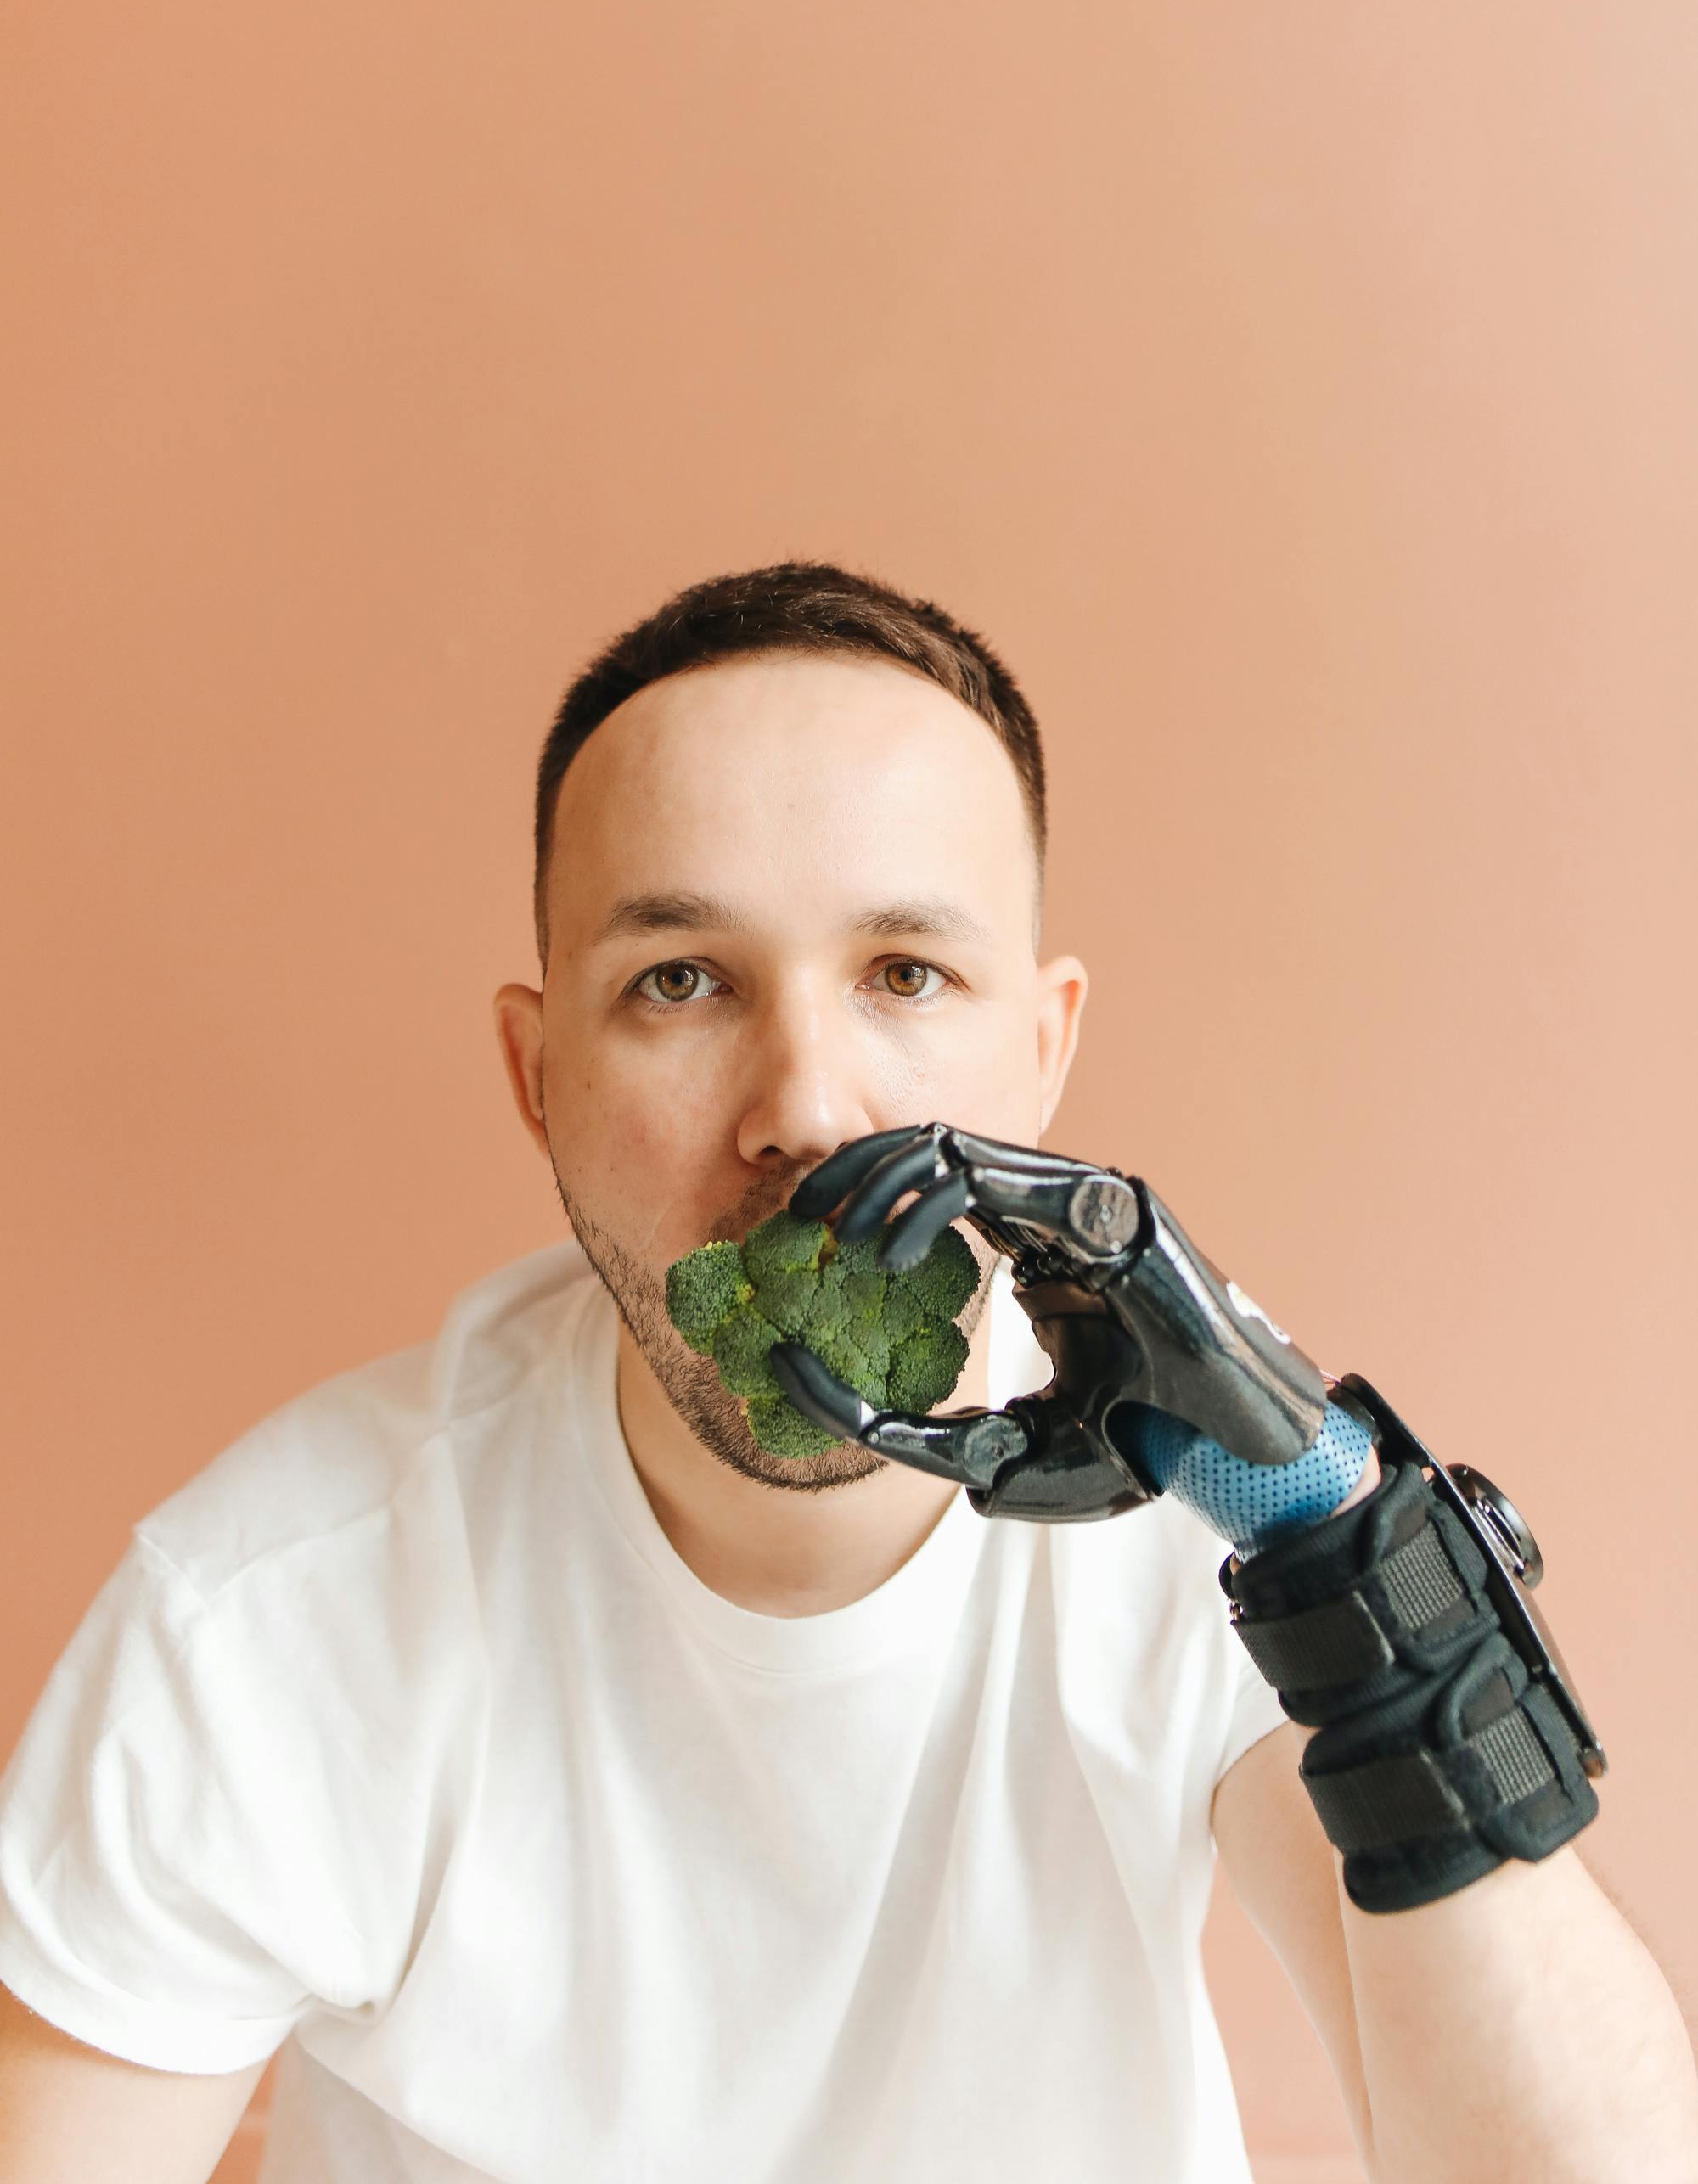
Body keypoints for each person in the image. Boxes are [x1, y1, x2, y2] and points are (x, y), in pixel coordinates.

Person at [0, 559, 1692, 2184]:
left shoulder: (1214, 1507)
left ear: (1042, 1046)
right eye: (678, 981)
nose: (806, 1107)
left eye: (906, 973)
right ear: (538, 1078)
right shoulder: (277, 1617)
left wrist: (1345, 1544)